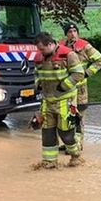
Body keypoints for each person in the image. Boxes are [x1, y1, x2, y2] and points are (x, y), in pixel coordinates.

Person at [32, 32, 85, 168]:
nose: (40, 52)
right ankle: (50, 161)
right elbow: (36, 73)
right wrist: (38, 84)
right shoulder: (39, 57)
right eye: (39, 49)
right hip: (47, 101)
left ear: (50, 44)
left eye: (42, 49)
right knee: (47, 133)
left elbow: (78, 74)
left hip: (65, 101)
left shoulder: (68, 55)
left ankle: (75, 156)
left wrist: (63, 86)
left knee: (66, 133)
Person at [59, 22, 101, 150]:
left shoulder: (84, 46)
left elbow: (100, 60)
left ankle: (78, 145)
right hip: (65, 88)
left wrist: (87, 73)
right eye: (70, 32)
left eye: (75, 31)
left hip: (80, 89)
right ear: (66, 34)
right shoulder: (61, 46)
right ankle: (69, 143)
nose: (73, 34)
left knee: (78, 117)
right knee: (65, 117)